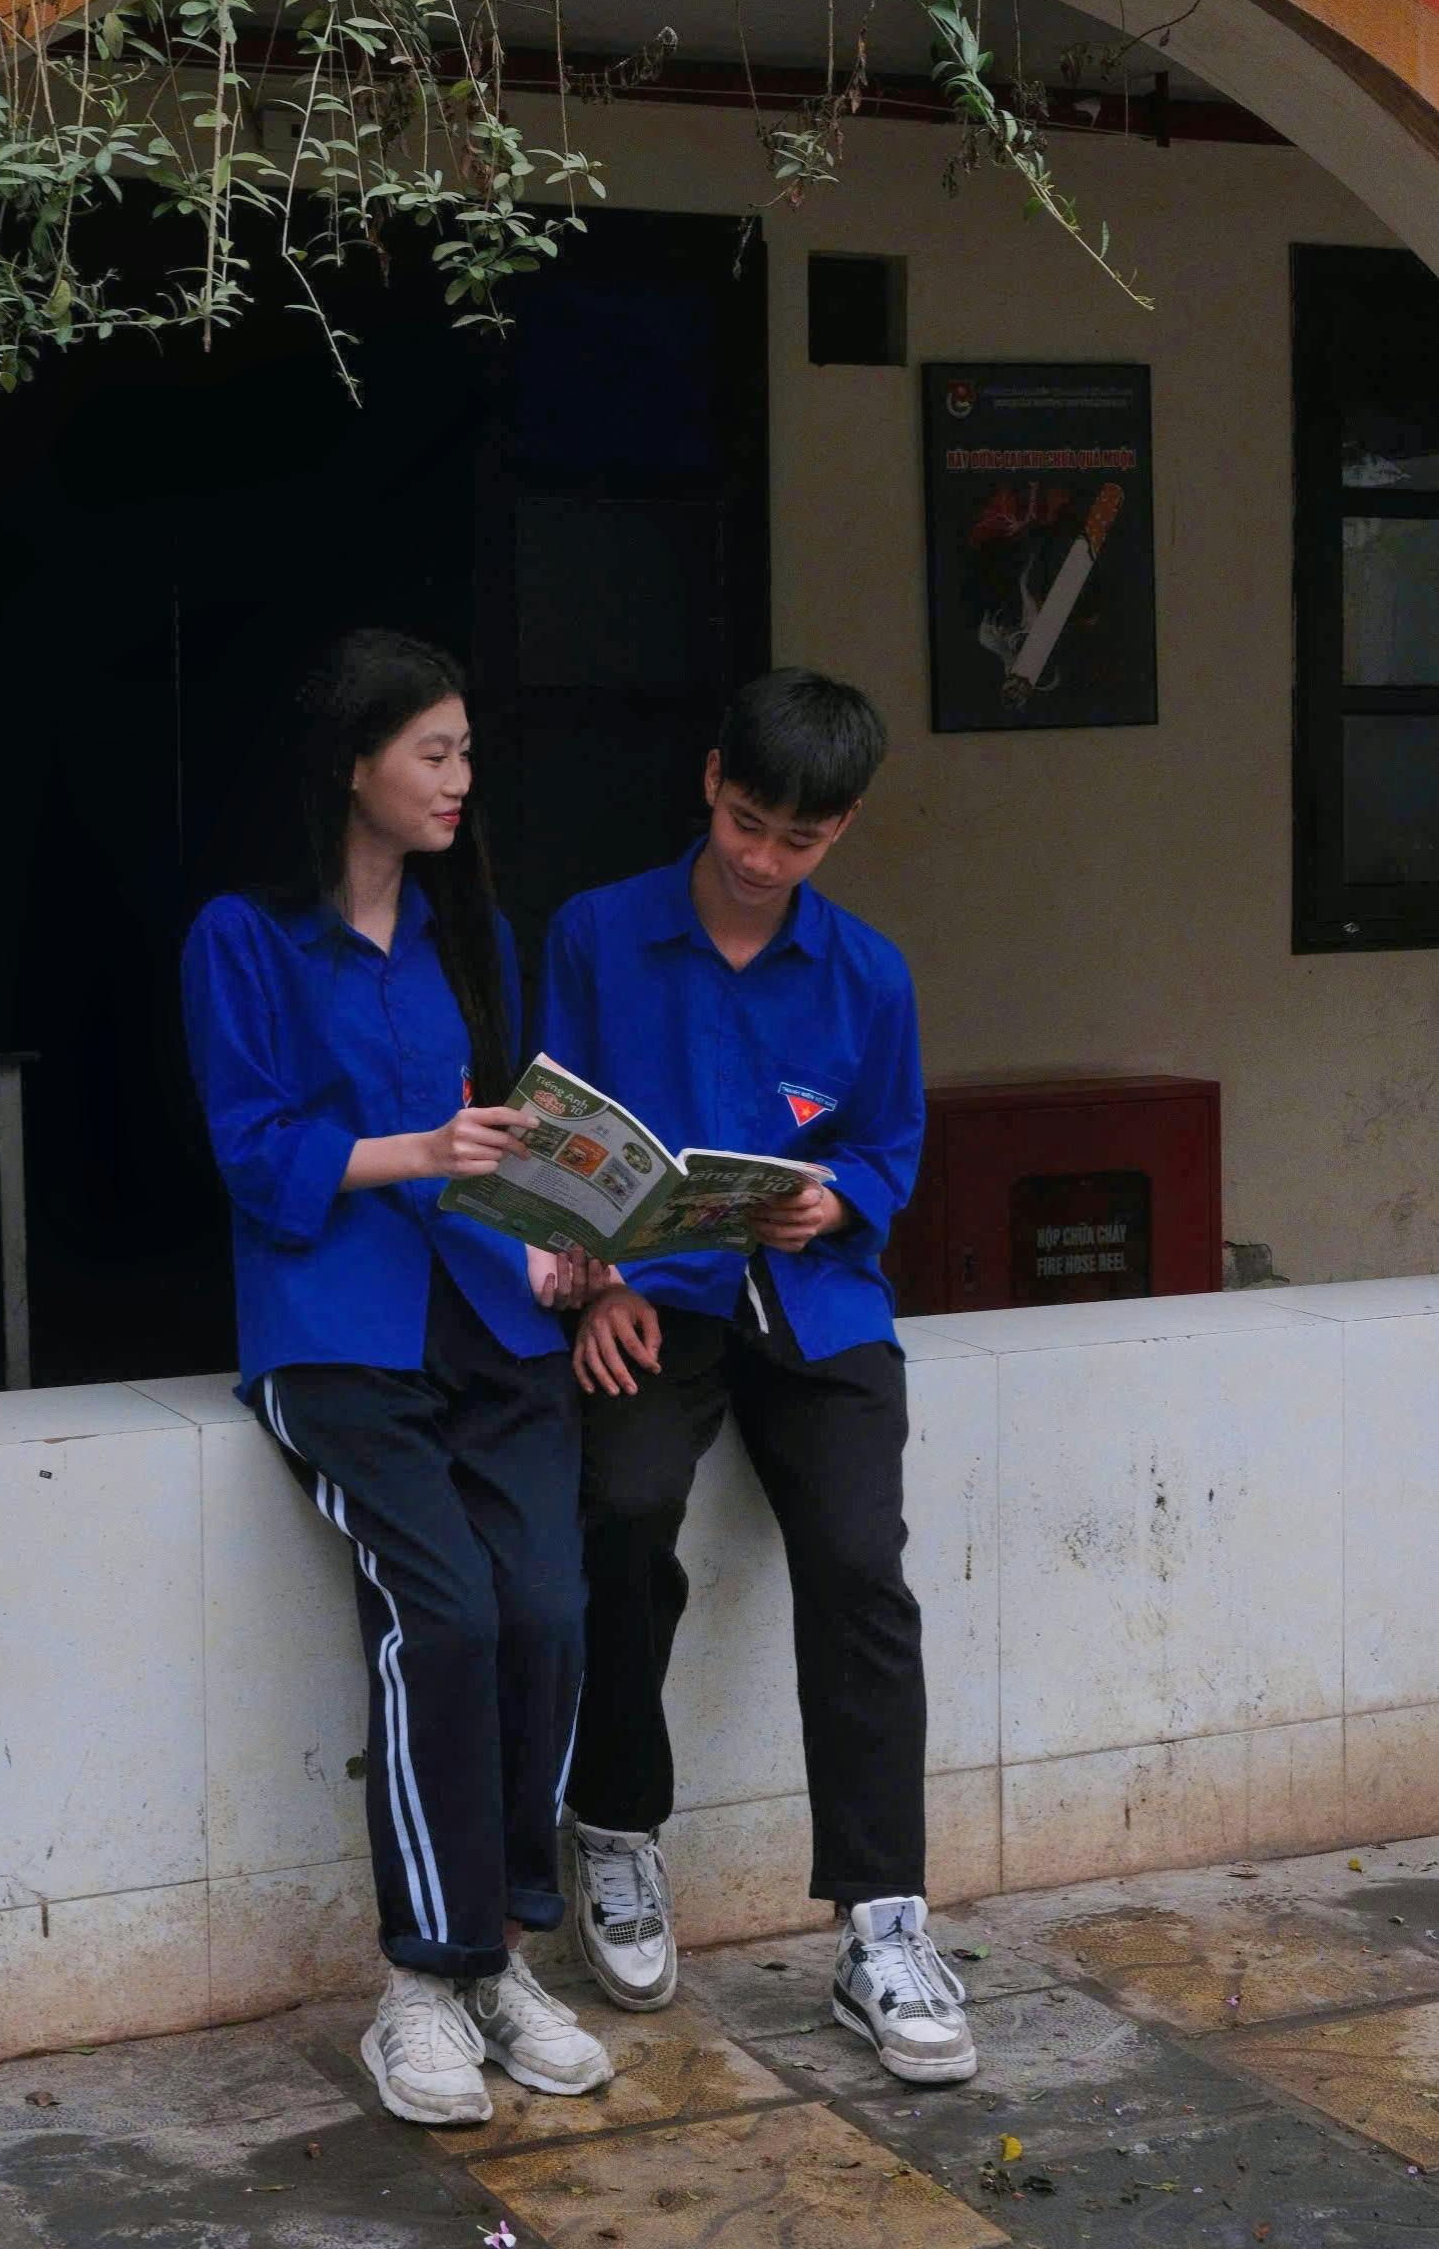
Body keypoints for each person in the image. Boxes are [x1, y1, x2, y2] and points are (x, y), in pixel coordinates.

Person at [182, 630, 611, 2128]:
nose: (457, 779)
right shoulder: (244, 935)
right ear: (353, 766)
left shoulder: (474, 931)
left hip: (494, 1320)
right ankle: (426, 1982)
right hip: (336, 1334)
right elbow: (253, 1150)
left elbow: (521, 1138)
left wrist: (566, 1253)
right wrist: (421, 1152)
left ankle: (503, 1963)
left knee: (549, 1610)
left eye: (467, 753)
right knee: (445, 1614)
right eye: (432, 752)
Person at [536, 668, 977, 2087]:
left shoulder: (869, 973)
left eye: (796, 839)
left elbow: (889, 1143)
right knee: (621, 1512)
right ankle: (614, 1826)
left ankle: (885, 1920)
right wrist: (589, 1285)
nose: (759, 857)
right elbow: (552, 1141)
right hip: (649, 1302)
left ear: (840, 833)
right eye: (744, 819)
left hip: (815, 1304)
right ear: (711, 777)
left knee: (860, 1565)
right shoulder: (598, 935)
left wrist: (833, 1202)